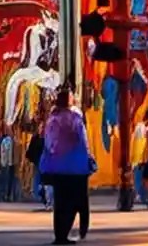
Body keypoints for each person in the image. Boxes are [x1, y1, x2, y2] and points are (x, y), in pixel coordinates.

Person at [38, 87, 94, 245]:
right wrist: (87, 157)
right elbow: (83, 141)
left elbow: (48, 144)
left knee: (60, 202)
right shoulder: (75, 119)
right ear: (69, 100)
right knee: (77, 200)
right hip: (76, 167)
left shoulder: (52, 119)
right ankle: (77, 228)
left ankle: (60, 235)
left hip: (57, 168)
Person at [26, 127, 52, 211]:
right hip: (38, 164)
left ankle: (48, 201)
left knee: (47, 184)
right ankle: (42, 199)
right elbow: (30, 151)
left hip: (47, 165)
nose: (42, 130)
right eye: (40, 128)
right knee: (40, 183)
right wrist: (32, 159)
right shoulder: (35, 138)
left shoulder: (49, 139)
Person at [130, 111, 148, 206]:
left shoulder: (139, 128)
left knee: (140, 178)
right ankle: (140, 196)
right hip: (139, 159)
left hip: (139, 159)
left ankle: (142, 196)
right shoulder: (141, 128)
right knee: (139, 178)